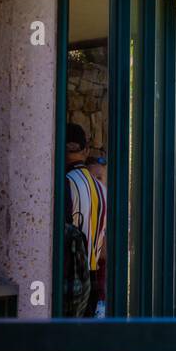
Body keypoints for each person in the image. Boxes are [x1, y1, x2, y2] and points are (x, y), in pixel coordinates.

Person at [65, 124, 107, 317]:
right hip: (93, 278)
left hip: (70, 278)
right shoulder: (101, 188)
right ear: (86, 150)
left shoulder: (66, 183)